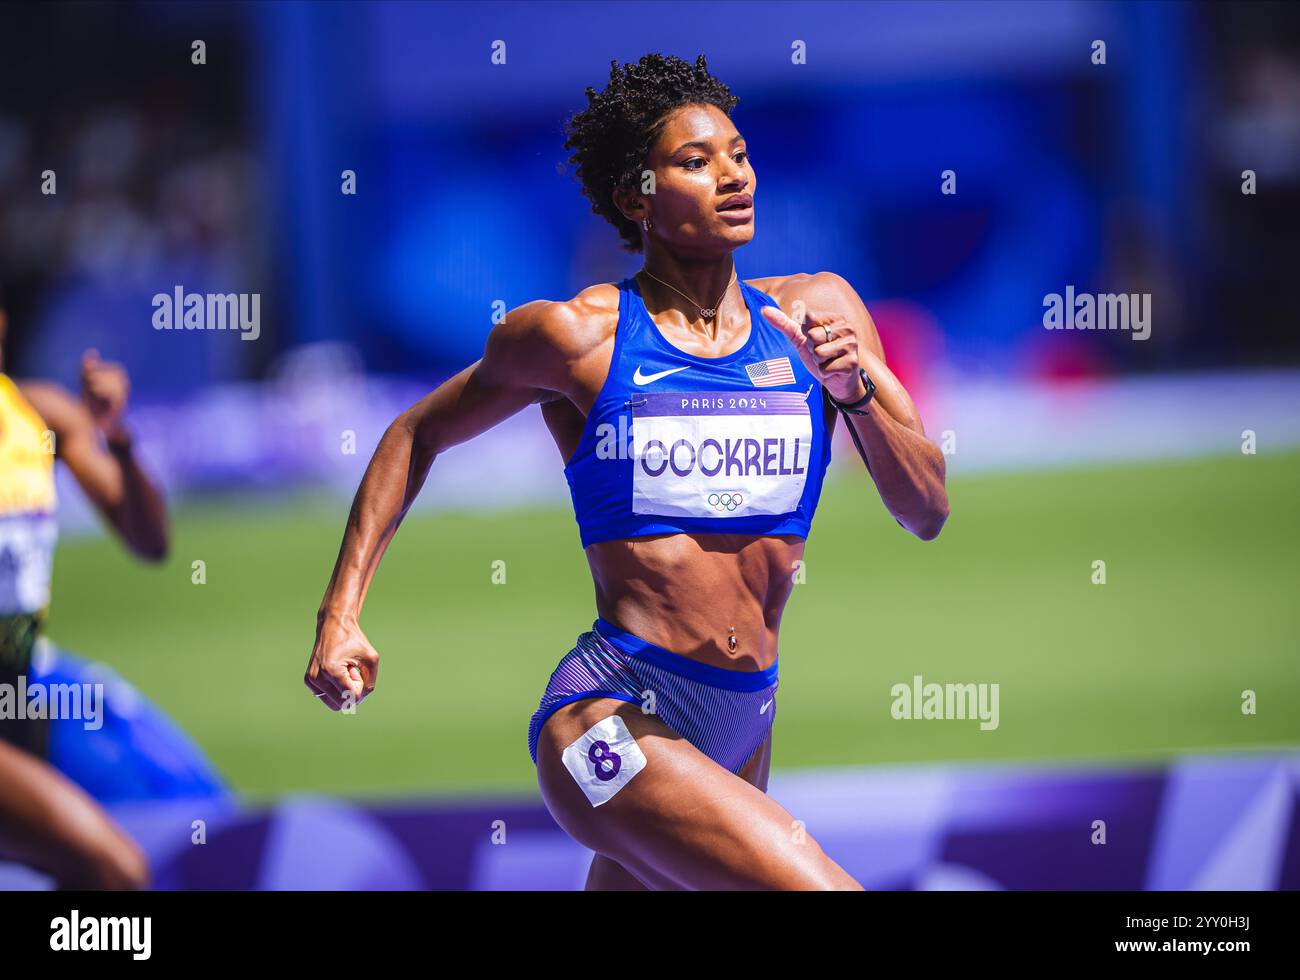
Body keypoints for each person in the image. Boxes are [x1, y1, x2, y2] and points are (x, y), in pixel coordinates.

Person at [304, 53, 949, 890]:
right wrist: (340, 612)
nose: (732, 176)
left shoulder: (816, 315)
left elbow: (927, 507)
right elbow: (413, 434)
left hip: (744, 716)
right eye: (695, 161)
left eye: (740, 154)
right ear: (634, 196)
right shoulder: (580, 338)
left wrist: (853, 394)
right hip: (607, 717)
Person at [0, 287, 169, 888]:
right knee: (111, 869)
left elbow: (150, 542)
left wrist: (118, 438)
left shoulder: (37, 416)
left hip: (19, 697)